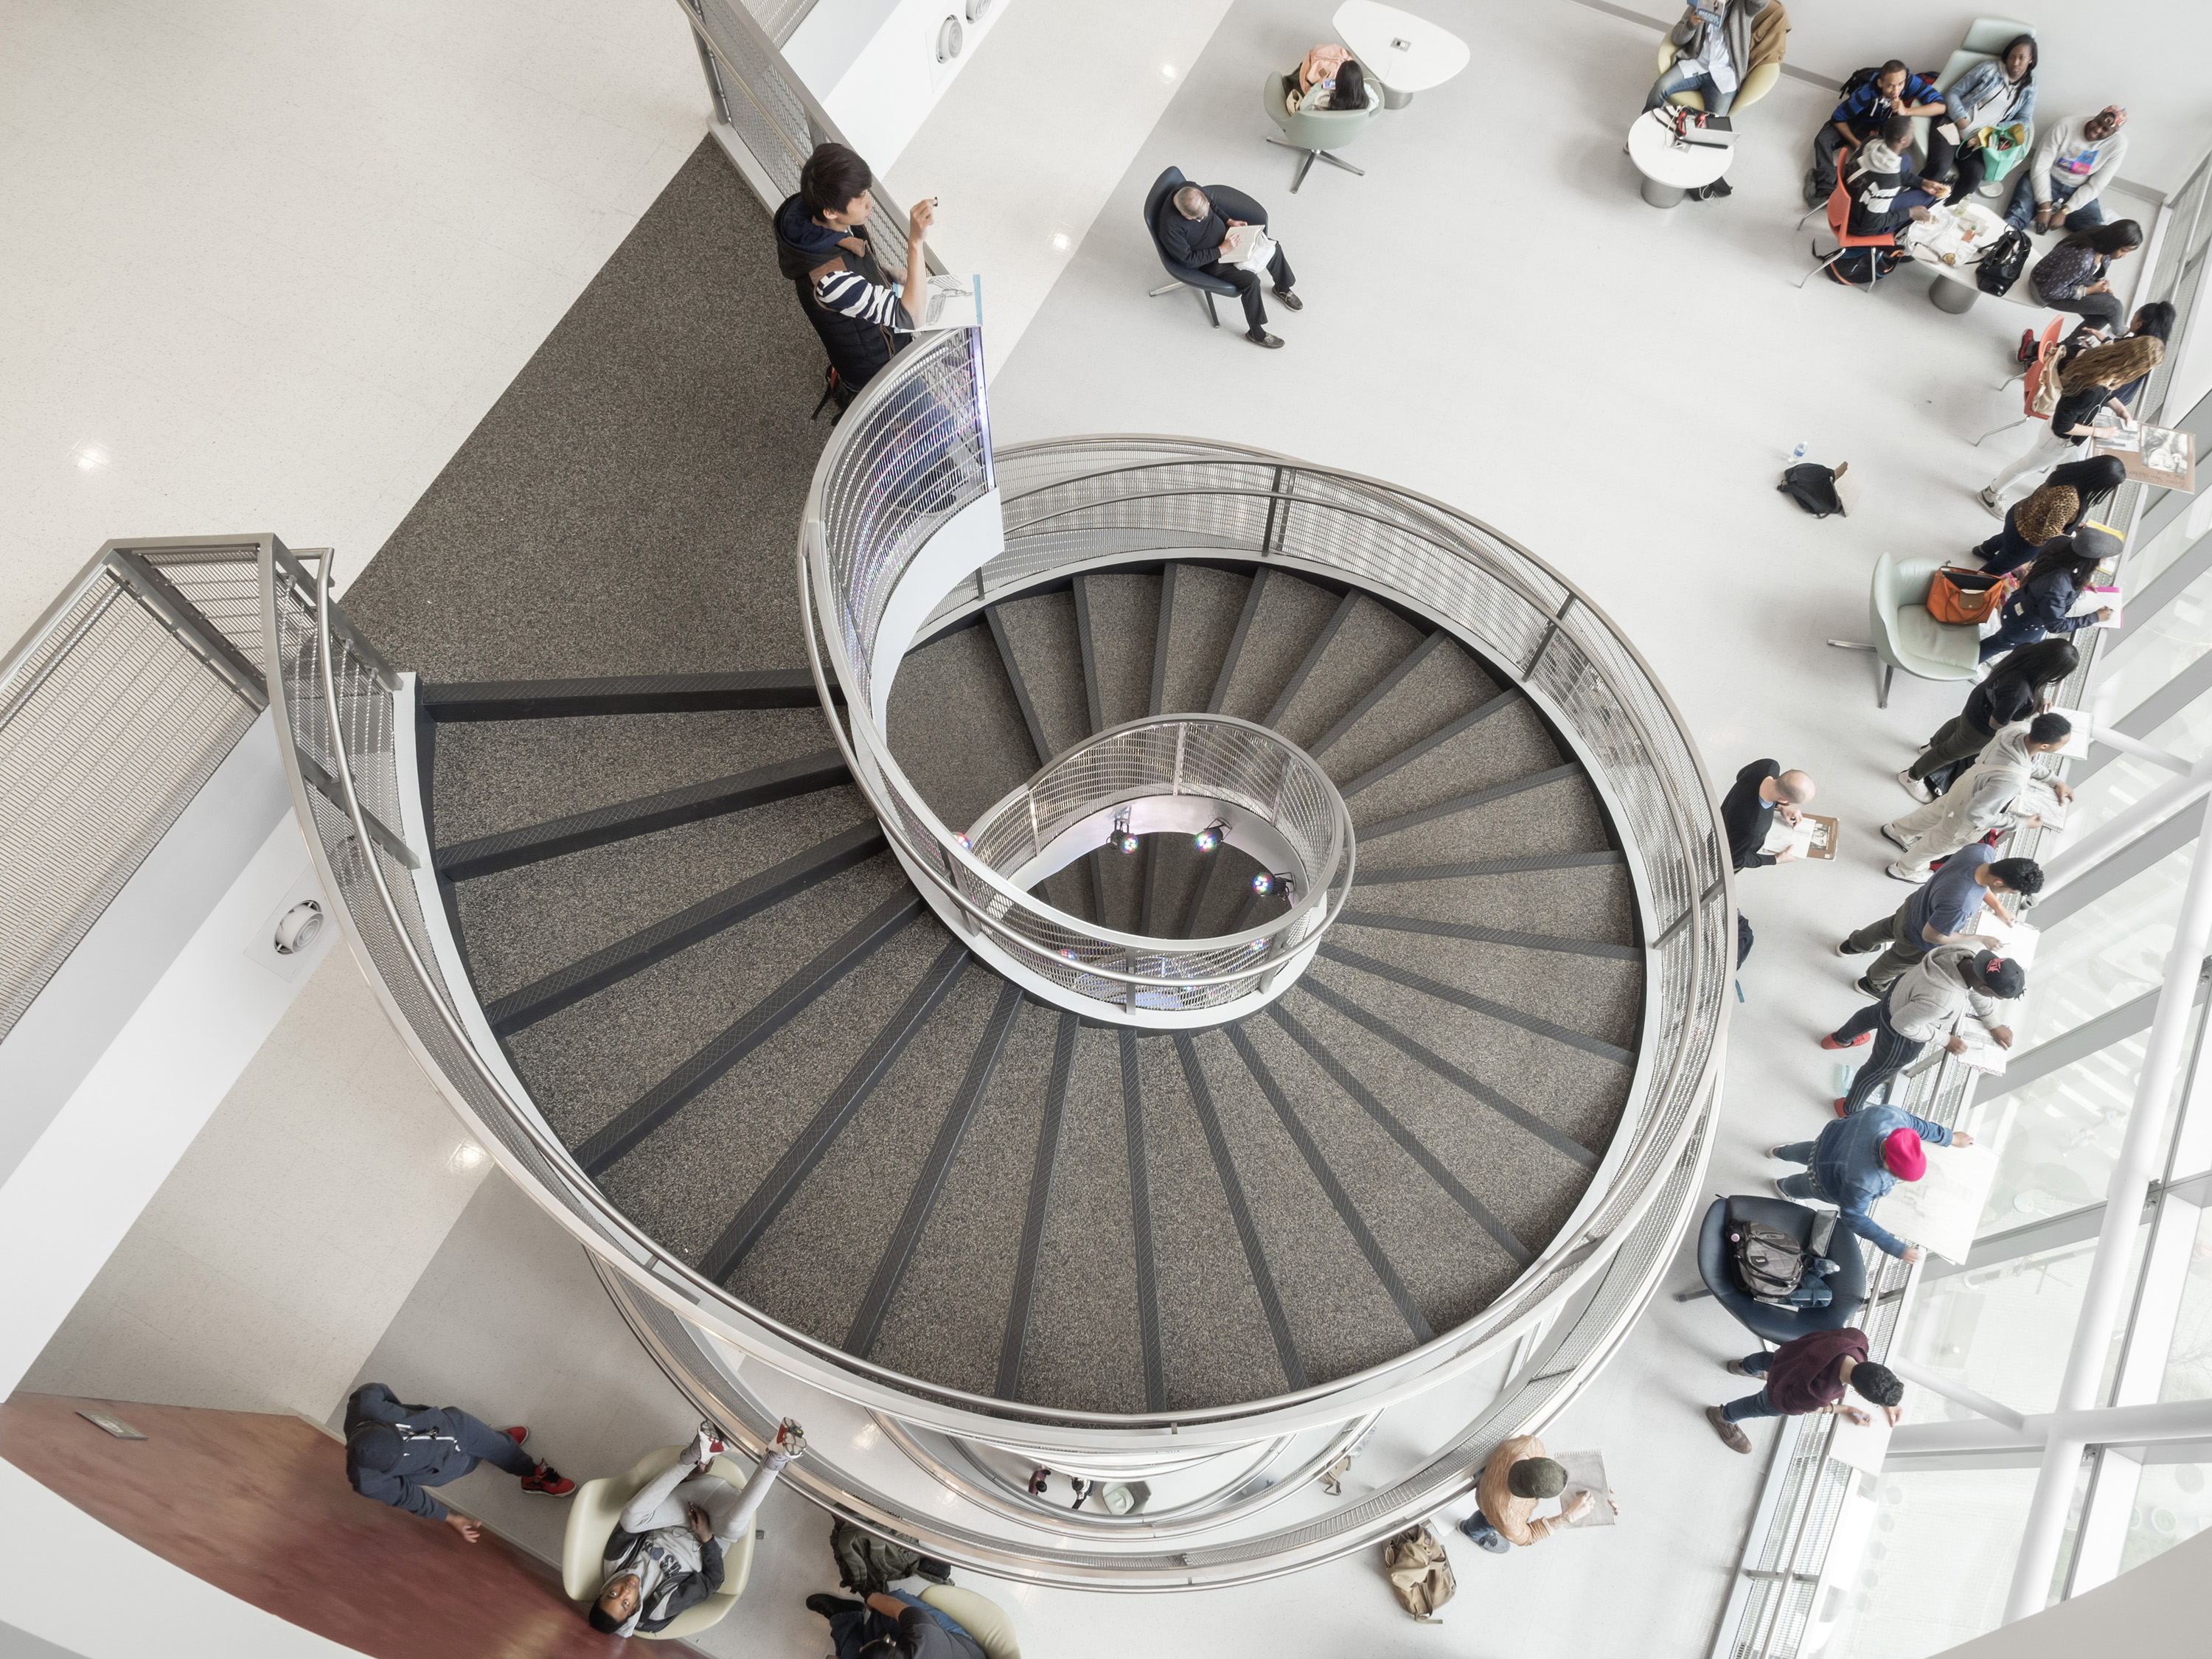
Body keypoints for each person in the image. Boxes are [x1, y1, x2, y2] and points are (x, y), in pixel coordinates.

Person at [591, 1419, 806, 1636]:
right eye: (626, 1603)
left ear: (603, 1591)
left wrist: (691, 1476)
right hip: (716, 1524)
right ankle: (776, 1457)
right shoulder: (662, 1607)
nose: (625, 1590)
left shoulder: (615, 1562)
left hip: (684, 1502)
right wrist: (706, 1537)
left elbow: (645, 1511)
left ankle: (697, 1453)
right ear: (633, 1612)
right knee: (733, 1527)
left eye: (613, 1594)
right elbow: (713, 1581)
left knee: (629, 1520)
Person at [775, 142, 936, 404]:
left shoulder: (821, 224)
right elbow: (911, 318)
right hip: (879, 376)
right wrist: (916, 242)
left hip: (879, 346)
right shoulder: (829, 282)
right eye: (859, 198)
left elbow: (855, 261)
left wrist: (890, 273)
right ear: (830, 211)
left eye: (865, 192)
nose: (869, 203)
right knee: (943, 429)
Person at [343, 1381, 574, 1540]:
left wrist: (411, 1412)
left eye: (404, 1437)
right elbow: (407, 1497)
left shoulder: (366, 1401)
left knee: (497, 1446)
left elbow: (385, 1393)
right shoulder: (367, 1480)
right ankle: (495, 1446)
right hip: (444, 1467)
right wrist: (450, 1518)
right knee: (471, 1461)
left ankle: (530, 1473)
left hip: (454, 1425)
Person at [1821, 947, 2022, 1119]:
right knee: (1877, 1071)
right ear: (1985, 987)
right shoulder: (1943, 1000)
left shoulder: (1963, 953)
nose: (1994, 999)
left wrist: (1993, 1023)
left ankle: (1840, 1039)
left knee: (1871, 1015)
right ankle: (1849, 1108)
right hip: (1901, 1036)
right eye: (1996, 996)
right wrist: (1946, 1039)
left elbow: (1975, 987)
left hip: (1899, 995)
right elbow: (1902, 1025)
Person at [1882, 714, 2074, 882]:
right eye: (2063, 743)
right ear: (2045, 746)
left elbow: (2027, 761)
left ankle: (1899, 830)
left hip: (1968, 782)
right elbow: (1978, 815)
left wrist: (2056, 781)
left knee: (1937, 810)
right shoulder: (2013, 779)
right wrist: (2023, 823)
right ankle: (1905, 870)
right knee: (1941, 842)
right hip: (1970, 808)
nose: (2064, 745)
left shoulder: (2018, 728)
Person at [1980, 338, 2164, 510]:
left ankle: (2043, 494)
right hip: (2058, 440)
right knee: (2025, 467)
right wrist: (2099, 432)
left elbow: (2105, 392)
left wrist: (2120, 409)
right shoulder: (2091, 390)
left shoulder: (2102, 361)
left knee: (2070, 466)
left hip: (2068, 436)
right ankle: (1990, 494)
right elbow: (2063, 426)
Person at [1836, 851, 2040, 994]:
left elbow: (1982, 881)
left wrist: (1998, 907)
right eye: (2010, 892)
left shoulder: (1981, 852)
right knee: (1895, 961)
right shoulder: (1961, 904)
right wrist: (1979, 938)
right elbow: (1932, 935)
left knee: (1885, 928)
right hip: (1917, 939)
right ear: (1999, 883)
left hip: (1914, 905)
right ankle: (1871, 985)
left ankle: (1852, 945)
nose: (2008, 895)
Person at [1900, 637, 2079, 797]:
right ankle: (1911, 777)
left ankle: (1930, 747)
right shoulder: (2019, 693)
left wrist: (2037, 701)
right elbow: (1997, 723)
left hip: (1979, 701)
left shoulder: (2026, 651)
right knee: (1948, 753)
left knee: (1957, 724)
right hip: (1982, 727)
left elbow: (2012, 692)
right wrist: (2023, 726)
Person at [1704, 1327, 1906, 1454]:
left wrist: (1888, 1398)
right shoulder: (1820, 1392)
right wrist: (1845, 1410)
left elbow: (1866, 1369)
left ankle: (1742, 1366)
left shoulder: (1857, 1340)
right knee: (1760, 1405)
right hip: (1780, 1392)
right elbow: (1800, 1407)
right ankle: (1723, 1417)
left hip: (1788, 1356)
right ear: (1861, 1394)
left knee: (1767, 1360)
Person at [1155, 181, 1299, 349]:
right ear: (1184, 214)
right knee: (1251, 282)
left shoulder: (1192, 190)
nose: (1204, 218)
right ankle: (1256, 332)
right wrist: (1221, 250)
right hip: (1211, 261)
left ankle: (1282, 288)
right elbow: (1188, 260)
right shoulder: (1170, 228)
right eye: (1199, 218)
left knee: (1273, 248)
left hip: (1230, 237)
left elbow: (1213, 206)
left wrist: (1229, 221)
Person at [1806, 59, 1943, 205]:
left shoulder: (1909, 81)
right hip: (1856, 121)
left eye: (1900, 84)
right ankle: (1826, 187)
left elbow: (1940, 106)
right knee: (1822, 140)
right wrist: (1856, 143)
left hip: (1880, 126)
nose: (1897, 91)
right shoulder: (1865, 94)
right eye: (1890, 86)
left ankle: (1842, 177)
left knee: (1880, 158)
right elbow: (1838, 118)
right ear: (1880, 83)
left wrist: (1907, 110)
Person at [1978, 527, 2121, 663]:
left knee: (2007, 643)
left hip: (2021, 604)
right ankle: (1968, 664)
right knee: (1996, 645)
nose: (2104, 562)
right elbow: (2056, 625)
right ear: (2091, 560)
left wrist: (2082, 580)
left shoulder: (2061, 544)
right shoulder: (2057, 586)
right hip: (2023, 626)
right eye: (2104, 559)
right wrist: (2095, 617)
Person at [1927, 34, 2037, 202]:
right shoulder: (1989, 69)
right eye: (2012, 57)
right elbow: (1953, 93)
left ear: (2031, 59)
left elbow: (2024, 120)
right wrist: (1961, 119)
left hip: (1980, 141)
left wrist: (1993, 132)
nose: (2015, 63)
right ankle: (1912, 203)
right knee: (1940, 167)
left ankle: (1944, 211)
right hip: (1953, 126)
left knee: (1974, 176)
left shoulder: (2030, 86)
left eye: (2021, 58)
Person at [1967, 459, 2124, 576]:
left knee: (2006, 539)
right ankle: (1969, 586)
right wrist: (2079, 542)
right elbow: (2050, 534)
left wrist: (2075, 523)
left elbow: (2051, 506)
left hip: (2020, 513)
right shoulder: (2071, 499)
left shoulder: (2068, 472)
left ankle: (1983, 550)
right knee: (1999, 567)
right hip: (2029, 538)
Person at [1455, 1433, 1597, 1554]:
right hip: (1490, 1505)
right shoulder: (1508, 1516)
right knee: (1486, 1522)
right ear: (1537, 1497)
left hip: (1490, 1469)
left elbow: (1546, 1475)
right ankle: (1469, 1530)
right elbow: (1527, 1537)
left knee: (1485, 1473)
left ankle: (1476, 1475)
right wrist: (1567, 1518)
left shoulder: (1531, 1445)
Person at [1646, 0, 1789, 119]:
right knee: (1660, 87)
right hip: (1695, 64)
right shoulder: (1700, 3)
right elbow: (1676, 38)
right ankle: (1645, 128)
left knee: (1716, 120)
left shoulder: (1744, 8)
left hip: (1725, 74)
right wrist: (1691, 25)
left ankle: (1697, 145)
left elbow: (1759, 3)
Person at [2006, 106, 2130, 232]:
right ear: (2097, 115)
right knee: (2015, 216)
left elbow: (2096, 186)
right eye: (2098, 122)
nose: (2097, 130)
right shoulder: (2065, 125)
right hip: (2048, 177)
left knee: (2095, 233)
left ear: (2113, 133)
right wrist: (2045, 206)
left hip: (2078, 188)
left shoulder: (2118, 145)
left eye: (2105, 129)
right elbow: (2040, 166)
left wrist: (2066, 210)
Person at [2030, 220, 2145, 335]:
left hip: (2064, 280)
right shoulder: (2083, 260)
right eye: (2123, 251)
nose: (2124, 256)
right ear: (2113, 242)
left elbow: (2094, 269)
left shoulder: (2101, 237)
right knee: (2114, 307)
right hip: (2042, 289)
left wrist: (2100, 282)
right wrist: (2089, 290)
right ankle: (2121, 333)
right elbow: (2049, 292)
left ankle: (2068, 348)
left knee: (2102, 318)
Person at [805, 1589, 986, 1659]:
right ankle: (846, 1620)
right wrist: (871, 1598)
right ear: (891, 1644)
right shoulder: (924, 1634)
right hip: (964, 1649)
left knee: (852, 1656)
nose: (861, 1649)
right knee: (892, 1604)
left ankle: (844, 1616)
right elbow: (889, 1602)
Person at [1722, 759, 1815, 870]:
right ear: (1784, 799)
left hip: (1725, 815)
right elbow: (1735, 860)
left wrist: (1781, 806)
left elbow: (1740, 775)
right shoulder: (1754, 826)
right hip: (1723, 847)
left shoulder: (1769, 766)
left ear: (1790, 771)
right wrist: (1776, 859)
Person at [1286, 42, 1349, 113]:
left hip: (1312, 96)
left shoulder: (1320, 98)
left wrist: (1319, 85)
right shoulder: (1360, 100)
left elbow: (1303, 107)